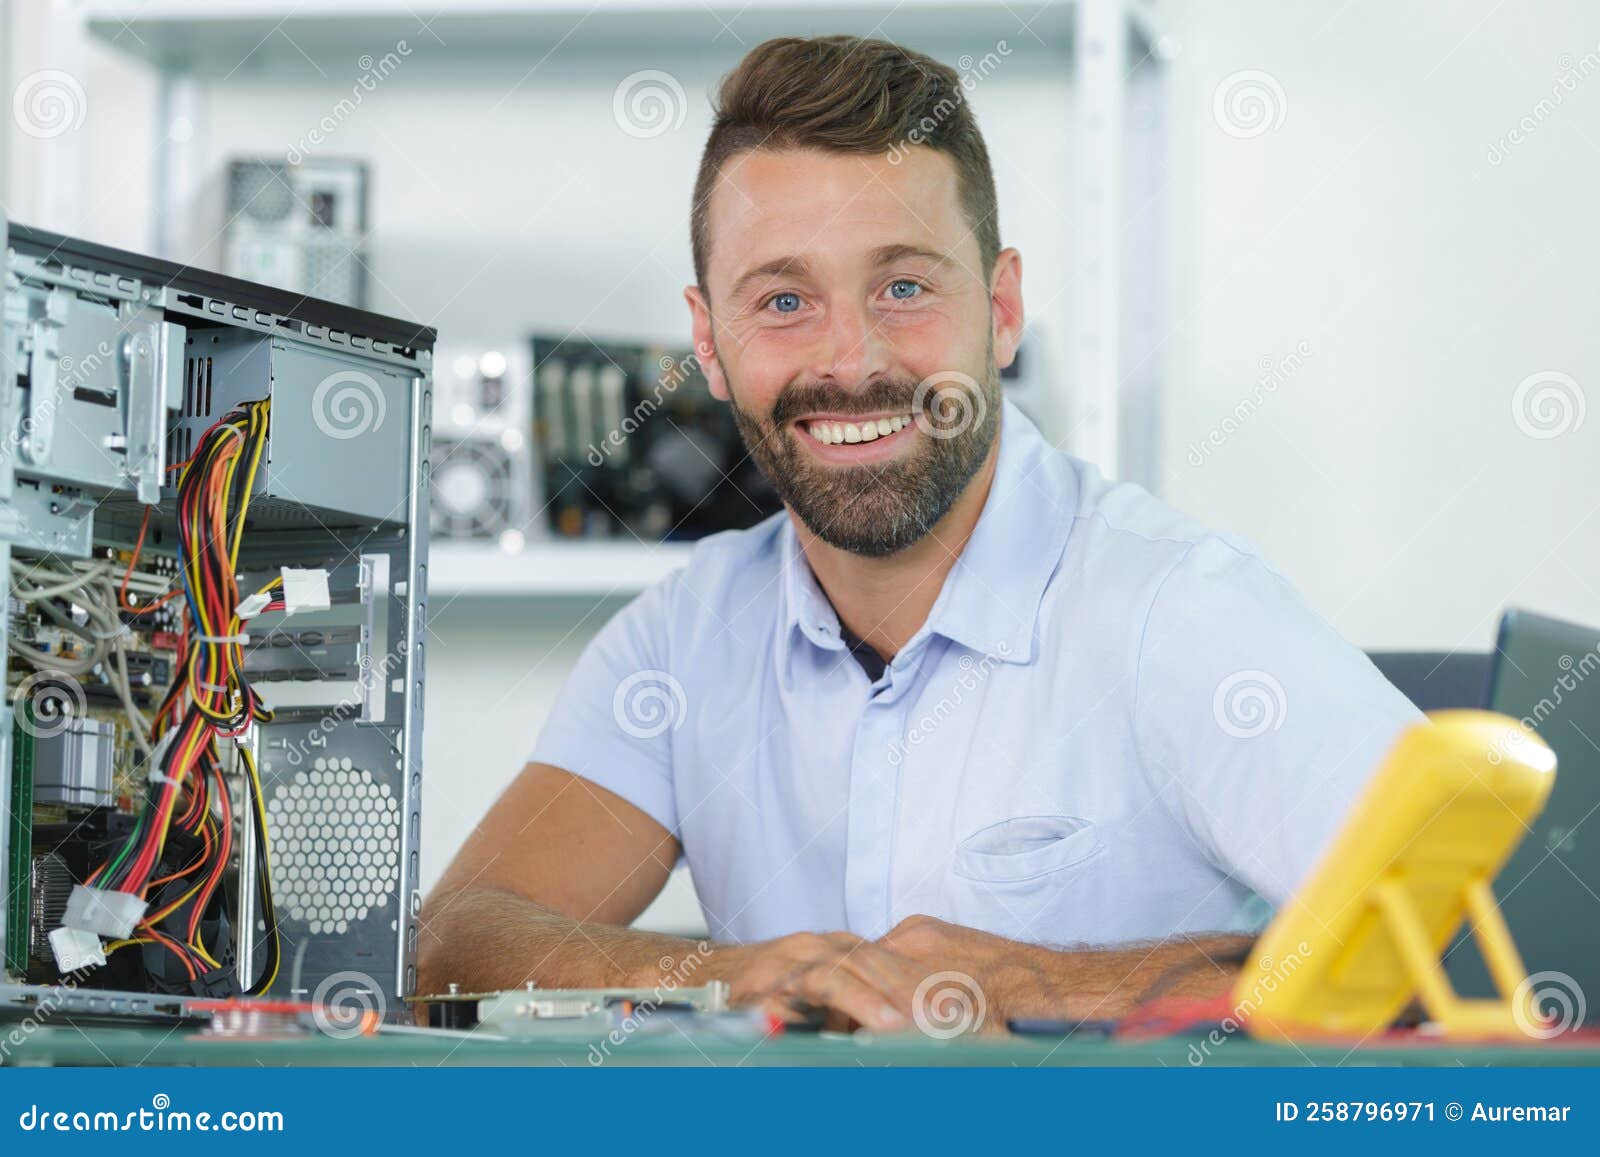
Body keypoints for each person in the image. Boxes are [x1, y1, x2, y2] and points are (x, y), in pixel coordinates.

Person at [418, 35, 1419, 1033]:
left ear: (1002, 309)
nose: (851, 361)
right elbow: (455, 940)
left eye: (903, 287)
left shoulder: (1181, 609)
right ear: (709, 343)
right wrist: (739, 974)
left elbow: (1448, 930)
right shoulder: (682, 637)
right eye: (783, 300)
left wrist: (1030, 982)